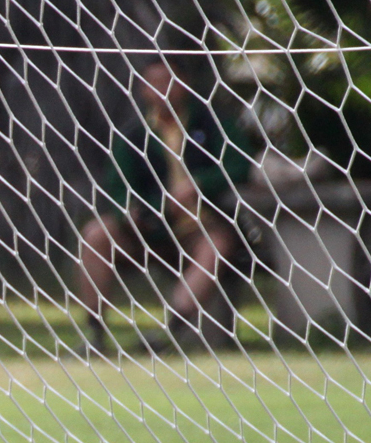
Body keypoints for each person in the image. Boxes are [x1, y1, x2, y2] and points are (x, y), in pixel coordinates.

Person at [75, 61, 252, 354]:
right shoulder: (133, 134)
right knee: (95, 234)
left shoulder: (213, 124)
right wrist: (131, 213)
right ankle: (94, 332)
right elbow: (118, 189)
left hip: (199, 227)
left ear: (183, 84)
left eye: (167, 81)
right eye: (152, 83)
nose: (160, 90)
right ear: (143, 90)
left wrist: (198, 184)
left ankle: (171, 333)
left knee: (215, 246)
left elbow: (241, 165)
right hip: (150, 230)